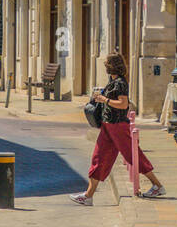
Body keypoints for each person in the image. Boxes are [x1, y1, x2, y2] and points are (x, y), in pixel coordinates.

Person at [69, 54, 165, 205]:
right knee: (98, 158)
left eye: (107, 64)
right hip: (108, 126)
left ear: (113, 66)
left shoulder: (120, 83)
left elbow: (123, 104)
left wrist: (105, 99)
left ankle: (158, 186)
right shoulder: (113, 81)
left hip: (118, 125)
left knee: (132, 155)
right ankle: (88, 196)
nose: (105, 66)